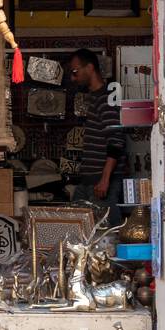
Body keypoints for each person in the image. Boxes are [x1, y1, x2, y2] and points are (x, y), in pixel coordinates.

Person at [68, 48, 127, 225]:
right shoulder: (94, 98)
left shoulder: (107, 99)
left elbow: (116, 141)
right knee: (78, 230)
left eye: (75, 71)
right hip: (89, 181)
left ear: (90, 68)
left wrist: (105, 179)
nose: (73, 77)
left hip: (101, 184)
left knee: (106, 234)